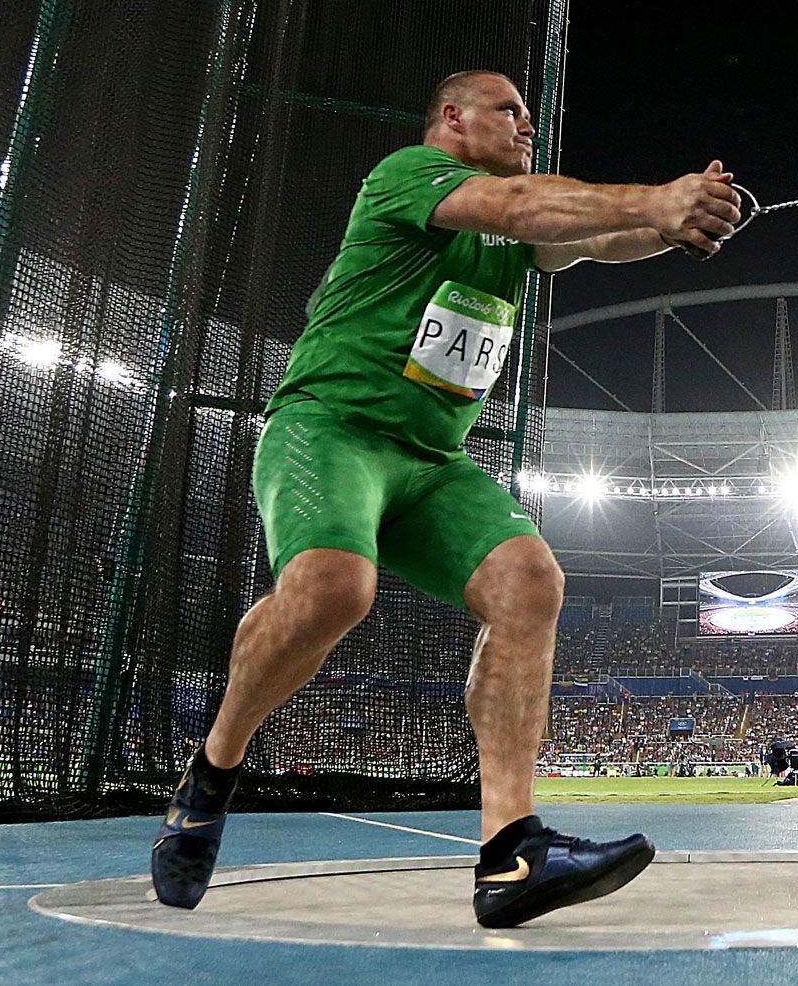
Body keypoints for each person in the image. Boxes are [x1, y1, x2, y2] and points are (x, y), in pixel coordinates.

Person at [151, 70, 740, 928]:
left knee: (528, 579)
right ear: (452, 119)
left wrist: (675, 222)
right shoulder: (407, 177)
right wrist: (655, 198)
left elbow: (592, 238)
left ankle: (510, 856)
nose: (525, 126)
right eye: (510, 111)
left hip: (431, 459)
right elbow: (525, 209)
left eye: (531, 117)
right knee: (333, 591)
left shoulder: (519, 228)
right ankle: (212, 770)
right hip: (331, 428)